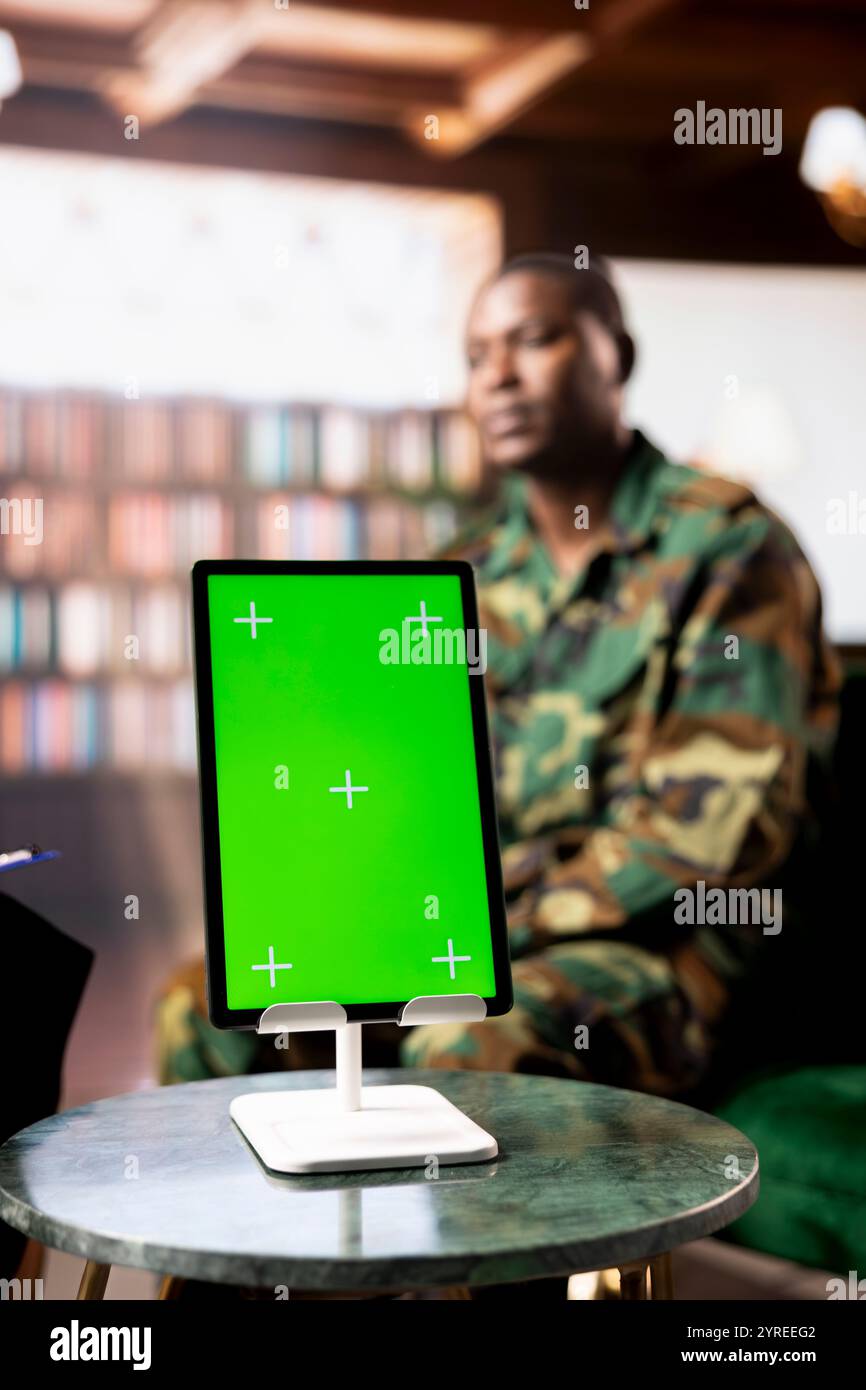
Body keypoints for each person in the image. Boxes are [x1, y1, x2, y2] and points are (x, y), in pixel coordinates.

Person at [156, 252, 840, 1102]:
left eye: (535, 341)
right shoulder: (459, 570)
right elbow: (406, 797)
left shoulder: (729, 547)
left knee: (462, 1041)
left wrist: (487, 931)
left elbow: (707, 840)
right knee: (206, 1011)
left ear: (615, 359)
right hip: (481, 938)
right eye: (477, 357)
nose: (499, 377)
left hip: (666, 947)